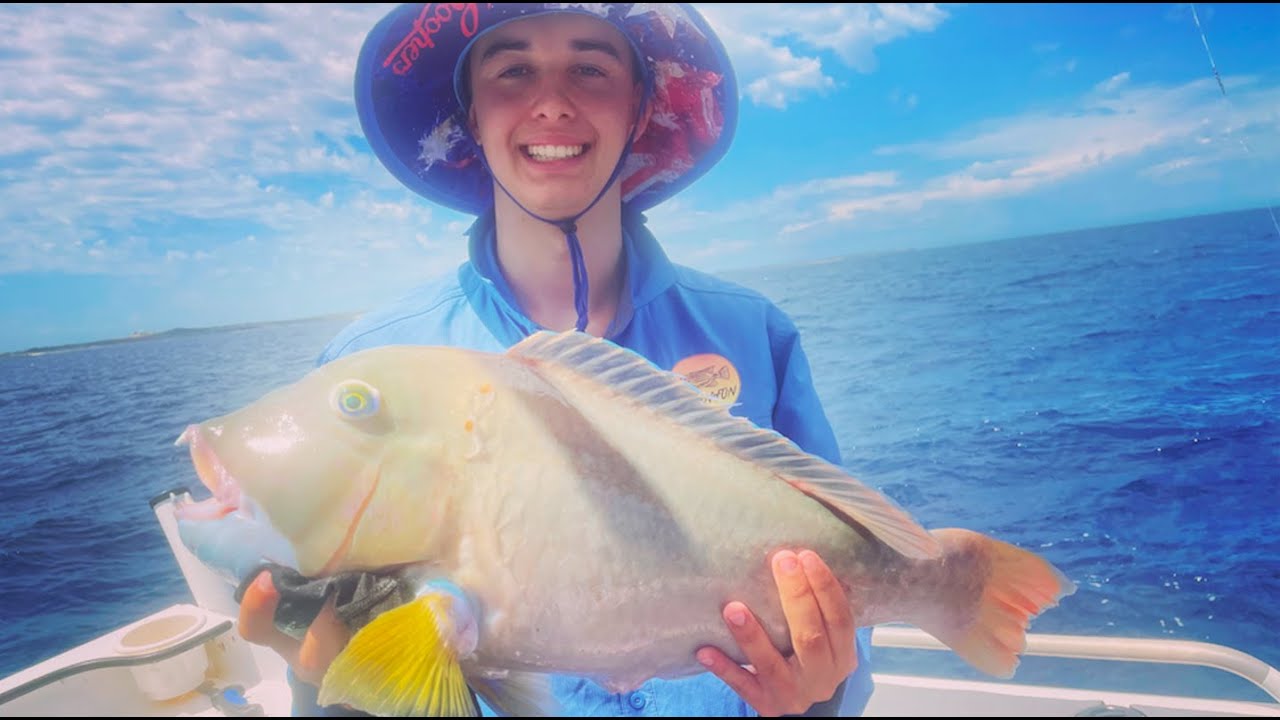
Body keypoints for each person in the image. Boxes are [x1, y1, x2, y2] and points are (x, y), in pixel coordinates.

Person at [237, 3, 875, 716]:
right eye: (512, 71)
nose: (551, 103)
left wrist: (818, 696)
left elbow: (848, 590)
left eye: (590, 69)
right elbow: (347, 639)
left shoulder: (752, 331)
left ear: (639, 108)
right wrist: (331, 689)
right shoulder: (369, 365)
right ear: (472, 114)